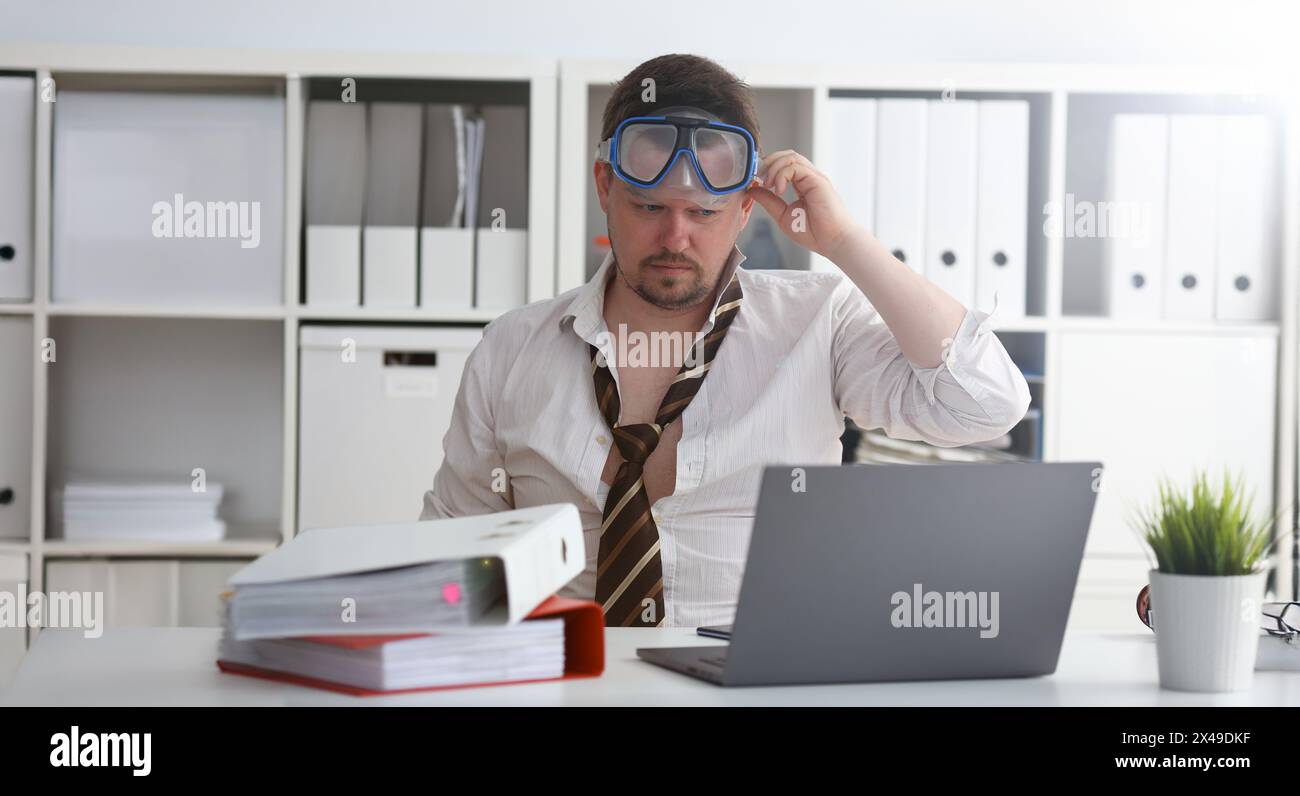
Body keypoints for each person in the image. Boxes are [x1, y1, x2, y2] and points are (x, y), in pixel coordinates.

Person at [421, 53, 1032, 628]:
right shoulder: (510, 349)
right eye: (648, 206)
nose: (675, 238)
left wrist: (844, 242)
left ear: (745, 208)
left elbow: (984, 405)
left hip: (760, 684)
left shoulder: (817, 322)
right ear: (605, 186)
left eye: (705, 214)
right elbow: (453, 560)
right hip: (571, 679)